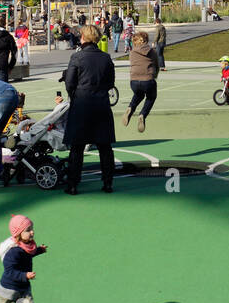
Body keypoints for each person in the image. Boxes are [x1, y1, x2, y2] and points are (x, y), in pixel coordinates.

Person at [62, 24, 116, 194]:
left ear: (83, 38)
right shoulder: (106, 58)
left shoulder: (77, 57)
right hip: (101, 103)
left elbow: (69, 82)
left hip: (82, 103)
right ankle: (108, 182)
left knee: (77, 147)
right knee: (104, 147)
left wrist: (75, 94)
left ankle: (72, 184)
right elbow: (110, 83)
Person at [124, 30, 159, 133]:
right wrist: (155, 75)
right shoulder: (152, 51)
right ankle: (142, 114)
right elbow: (156, 65)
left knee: (139, 94)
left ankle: (130, 108)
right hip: (147, 79)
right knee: (151, 97)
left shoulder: (132, 52)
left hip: (134, 81)